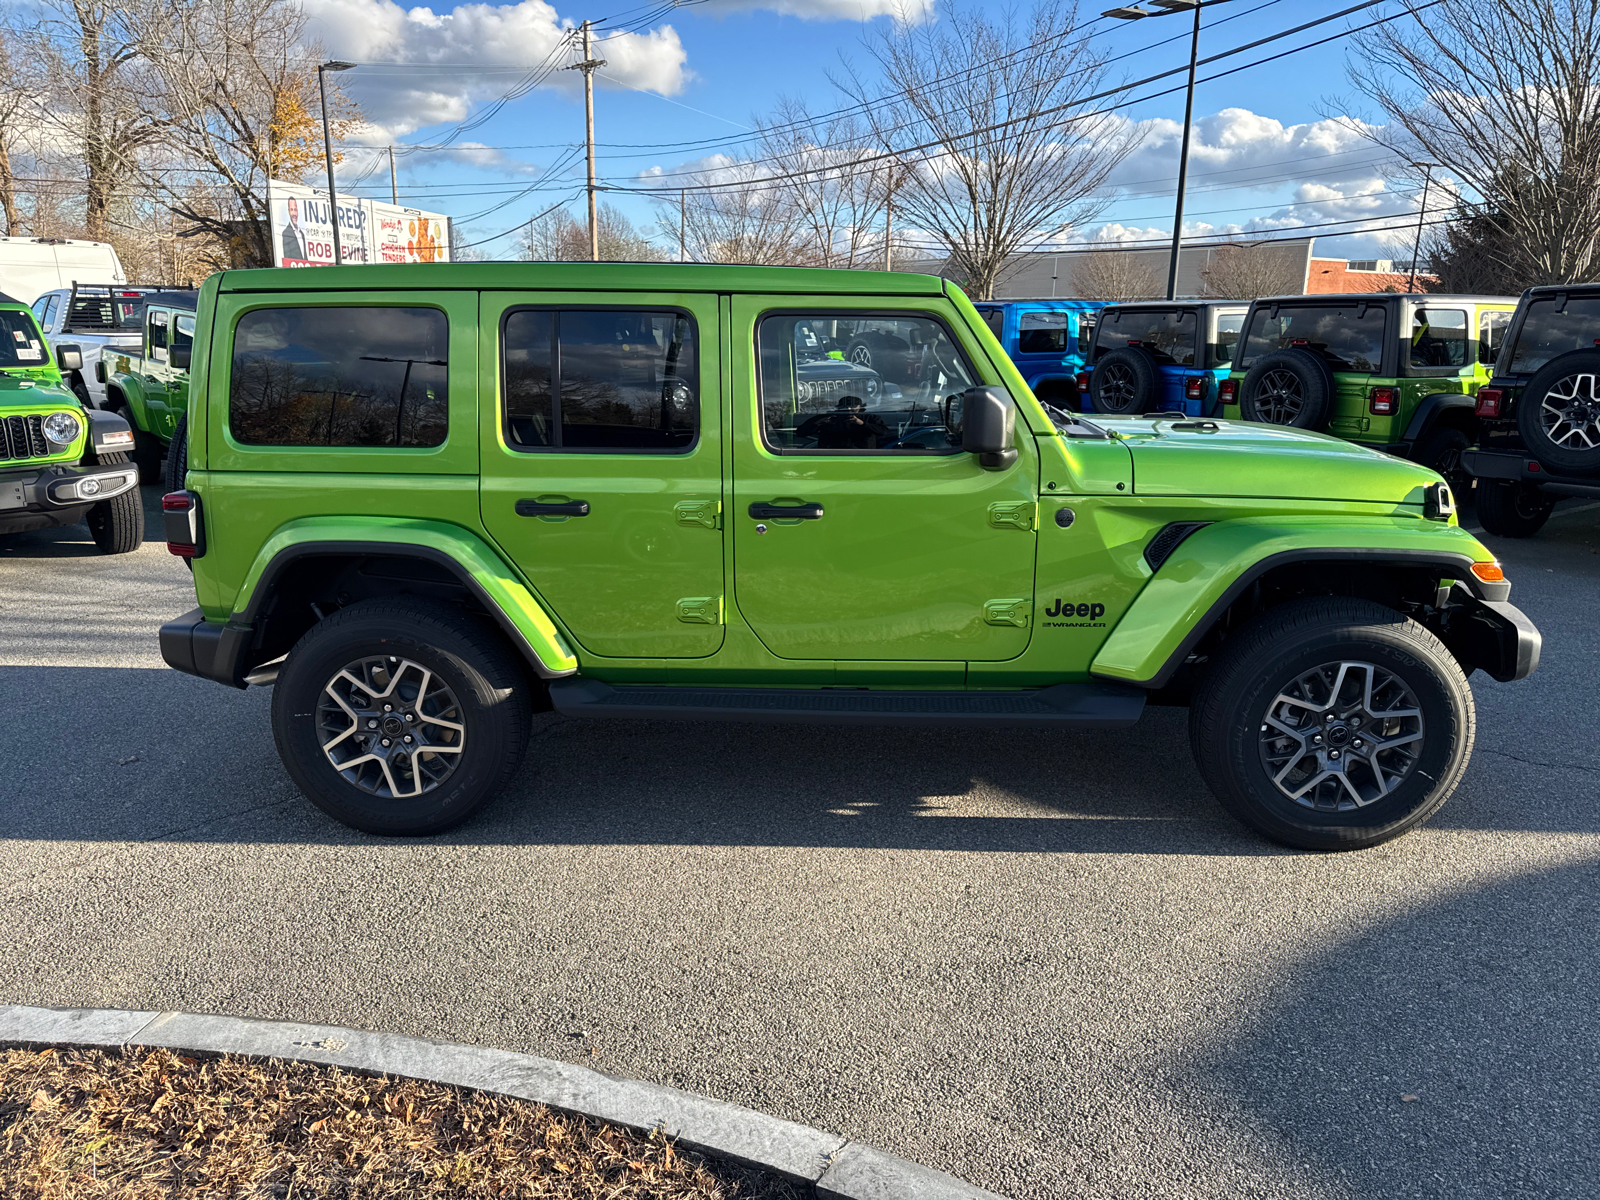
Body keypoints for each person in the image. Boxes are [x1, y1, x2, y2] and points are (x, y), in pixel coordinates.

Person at [796, 395, 894, 449]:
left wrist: (862, 423)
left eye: (853, 406)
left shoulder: (870, 418)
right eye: (845, 406)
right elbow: (800, 432)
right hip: (830, 457)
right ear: (839, 407)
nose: (849, 409)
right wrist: (818, 423)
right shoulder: (828, 417)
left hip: (863, 457)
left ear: (861, 407)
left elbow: (884, 432)